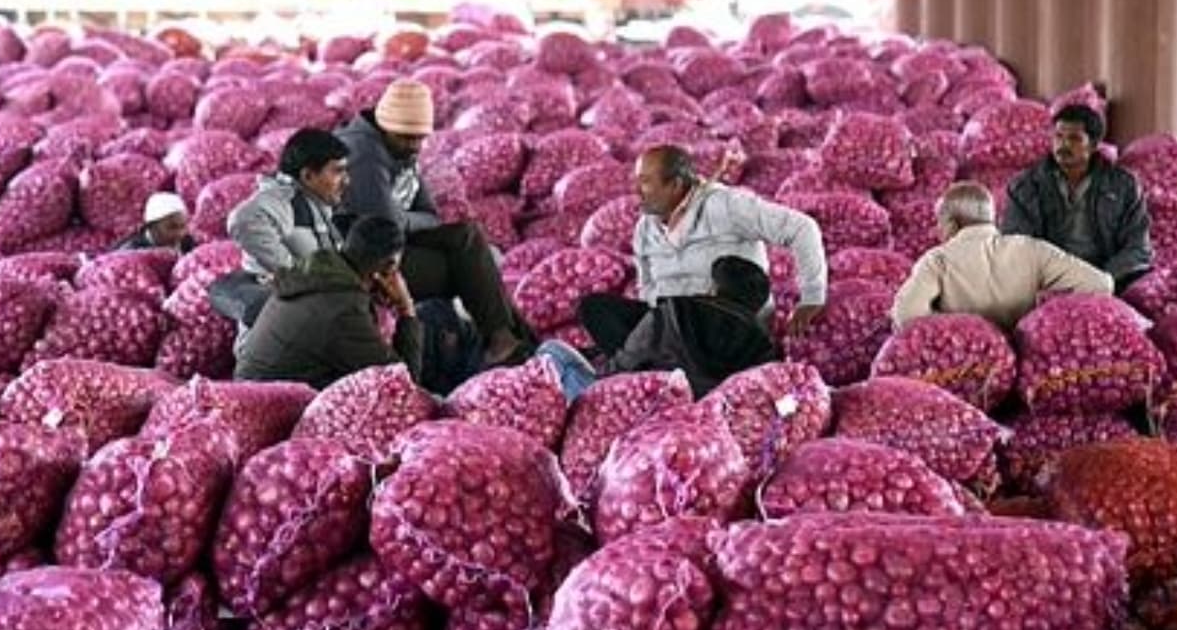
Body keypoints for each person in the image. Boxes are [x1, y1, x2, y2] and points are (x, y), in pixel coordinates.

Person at [336, 78, 531, 366]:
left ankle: (510, 341)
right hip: (365, 260)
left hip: (395, 242)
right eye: (407, 138)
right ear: (385, 126)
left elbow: (429, 214)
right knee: (472, 273)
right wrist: (404, 219)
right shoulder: (363, 154)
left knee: (468, 236)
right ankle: (508, 343)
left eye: (420, 138)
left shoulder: (400, 145)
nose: (415, 146)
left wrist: (404, 219)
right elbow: (387, 223)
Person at [577, 145, 828, 361]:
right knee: (595, 308)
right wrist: (657, 324)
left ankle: (661, 363)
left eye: (645, 181)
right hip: (675, 329)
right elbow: (647, 287)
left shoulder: (725, 206)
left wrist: (812, 298)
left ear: (675, 185)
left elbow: (802, 228)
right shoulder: (645, 228)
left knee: (725, 276)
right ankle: (658, 363)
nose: (637, 190)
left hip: (725, 329)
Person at [544, 255, 780, 399]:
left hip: (645, 402)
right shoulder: (765, 348)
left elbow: (621, 368)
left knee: (552, 352)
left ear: (714, 288)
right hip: (702, 417)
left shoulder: (676, 312)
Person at [893, 182, 1113, 331]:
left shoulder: (937, 260)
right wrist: (1044, 318)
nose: (938, 230)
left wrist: (961, 329)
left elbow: (906, 315)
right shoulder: (1031, 249)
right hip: (1028, 362)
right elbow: (1100, 283)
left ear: (952, 223)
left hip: (966, 367)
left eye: (939, 223)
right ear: (992, 218)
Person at [234, 216, 422, 389]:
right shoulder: (344, 311)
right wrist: (407, 309)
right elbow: (401, 385)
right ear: (388, 268)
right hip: (269, 406)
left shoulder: (316, 274)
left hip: (251, 390)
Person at [1000, 104, 1153, 287]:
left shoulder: (1123, 186)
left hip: (1108, 279)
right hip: (1049, 282)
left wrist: (1101, 279)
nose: (1063, 145)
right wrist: (1057, 279)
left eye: (1074, 139)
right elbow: (1016, 245)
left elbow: (1138, 247)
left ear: (1094, 145)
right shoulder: (1025, 186)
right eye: (1058, 136)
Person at [229, 129, 350, 277]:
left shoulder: (315, 202)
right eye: (337, 171)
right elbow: (241, 220)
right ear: (308, 176)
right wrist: (295, 274)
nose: (346, 181)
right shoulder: (284, 199)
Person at [115, 192, 194, 253]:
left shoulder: (187, 242)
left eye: (183, 226)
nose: (180, 233)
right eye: (172, 227)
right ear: (151, 226)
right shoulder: (130, 251)